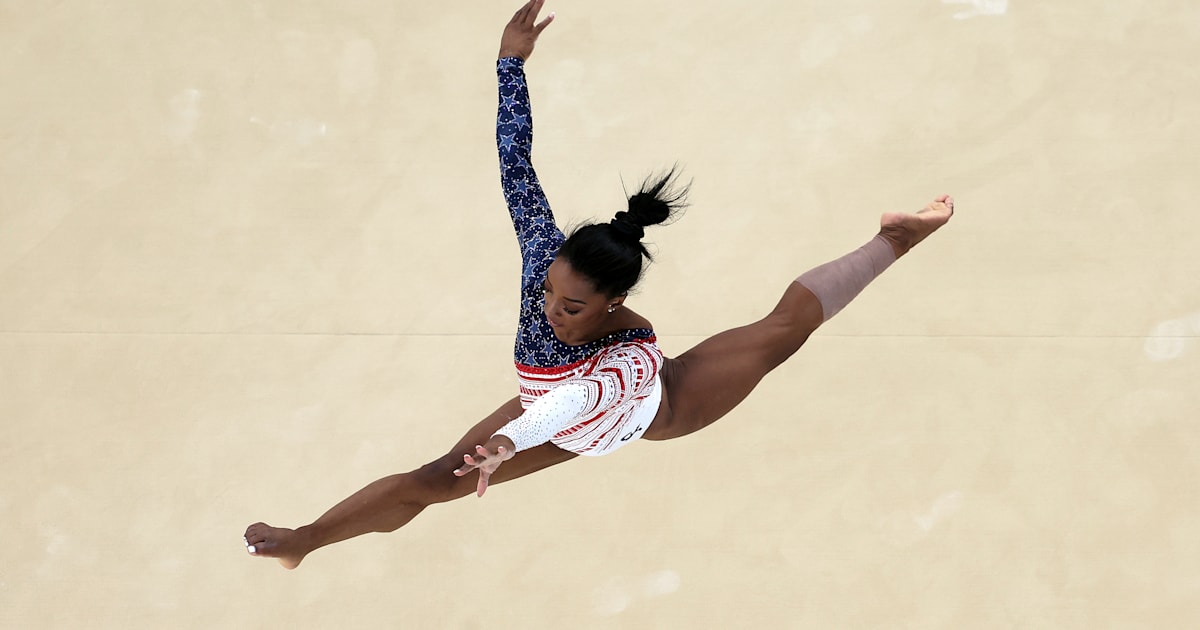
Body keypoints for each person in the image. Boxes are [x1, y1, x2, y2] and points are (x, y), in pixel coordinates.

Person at [243, 0, 954, 569]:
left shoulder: (628, 364)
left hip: (651, 408)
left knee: (782, 332)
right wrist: (508, 65)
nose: (550, 309)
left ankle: (896, 238)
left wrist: (510, 441)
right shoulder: (544, 264)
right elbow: (515, 163)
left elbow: (573, 405)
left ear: (614, 303)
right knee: (434, 479)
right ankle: (308, 540)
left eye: (572, 305)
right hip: (548, 410)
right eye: (550, 291)